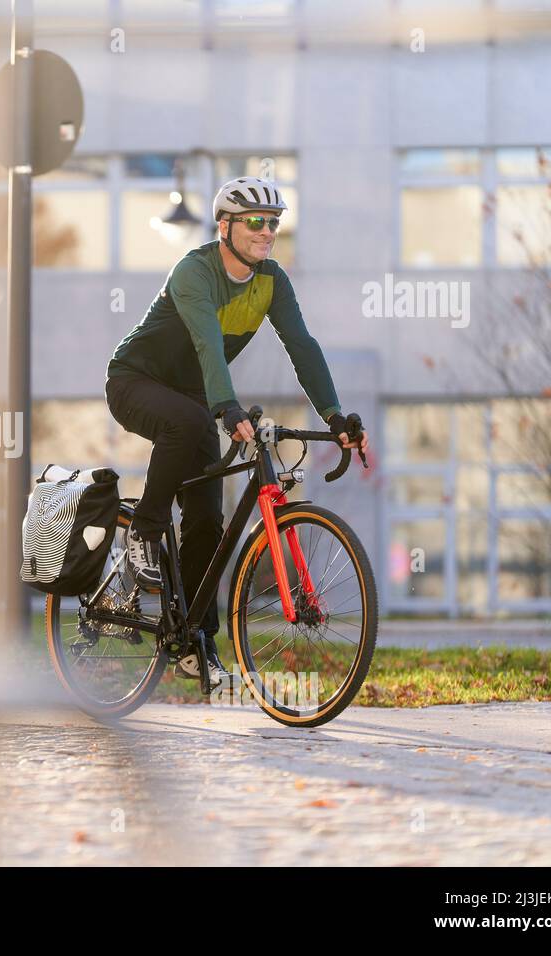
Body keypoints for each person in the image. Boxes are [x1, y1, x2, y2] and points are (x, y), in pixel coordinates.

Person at [104, 176, 370, 687]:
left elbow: (302, 347)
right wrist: (226, 406)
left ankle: (192, 640)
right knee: (187, 422)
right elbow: (206, 343)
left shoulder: (272, 280)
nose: (266, 231)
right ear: (224, 226)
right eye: (255, 222)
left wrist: (335, 417)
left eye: (273, 222)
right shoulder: (194, 272)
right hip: (135, 381)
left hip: (197, 400)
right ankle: (143, 530)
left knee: (207, 521)